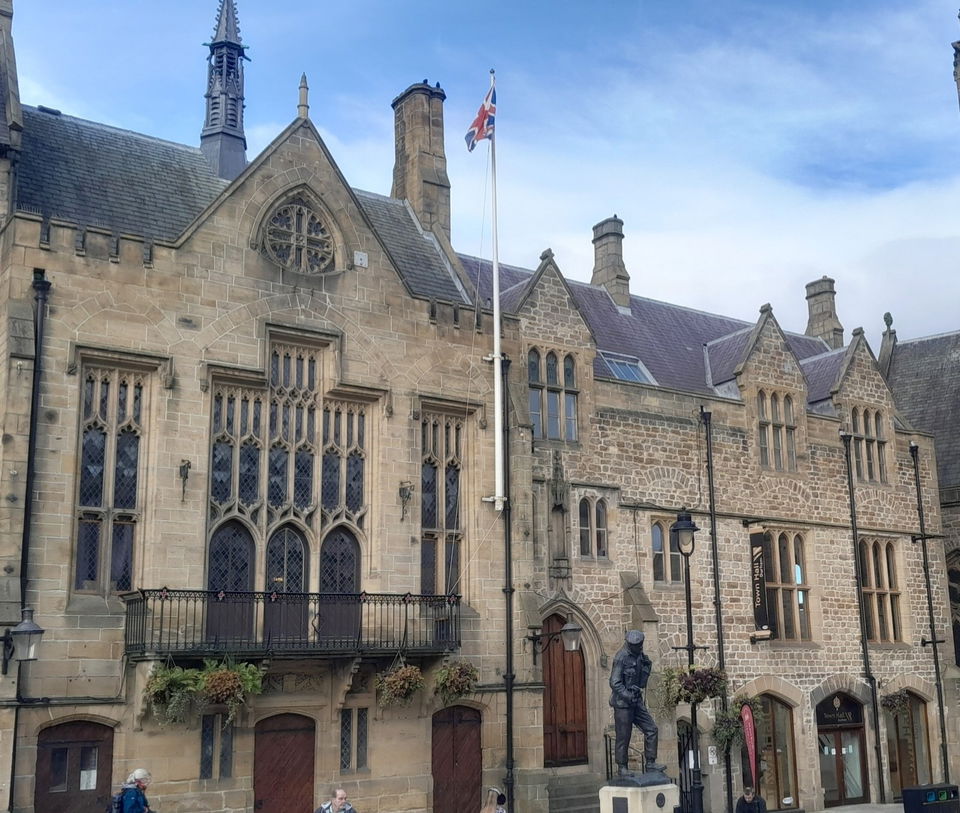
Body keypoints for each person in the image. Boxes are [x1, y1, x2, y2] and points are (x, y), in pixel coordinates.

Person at [609, 629, 665, 776]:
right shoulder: (621, 657)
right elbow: (614, 682)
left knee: (651, 729)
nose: (640, 648)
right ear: (630, 644)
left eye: (641, 645)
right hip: (622, 704)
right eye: (637, 646)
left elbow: (641, 684)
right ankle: (622, 767)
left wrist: (646, 668)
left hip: (636, 701)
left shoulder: (639, 656)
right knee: (623, 736)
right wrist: (627, 695)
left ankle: (651, 763)